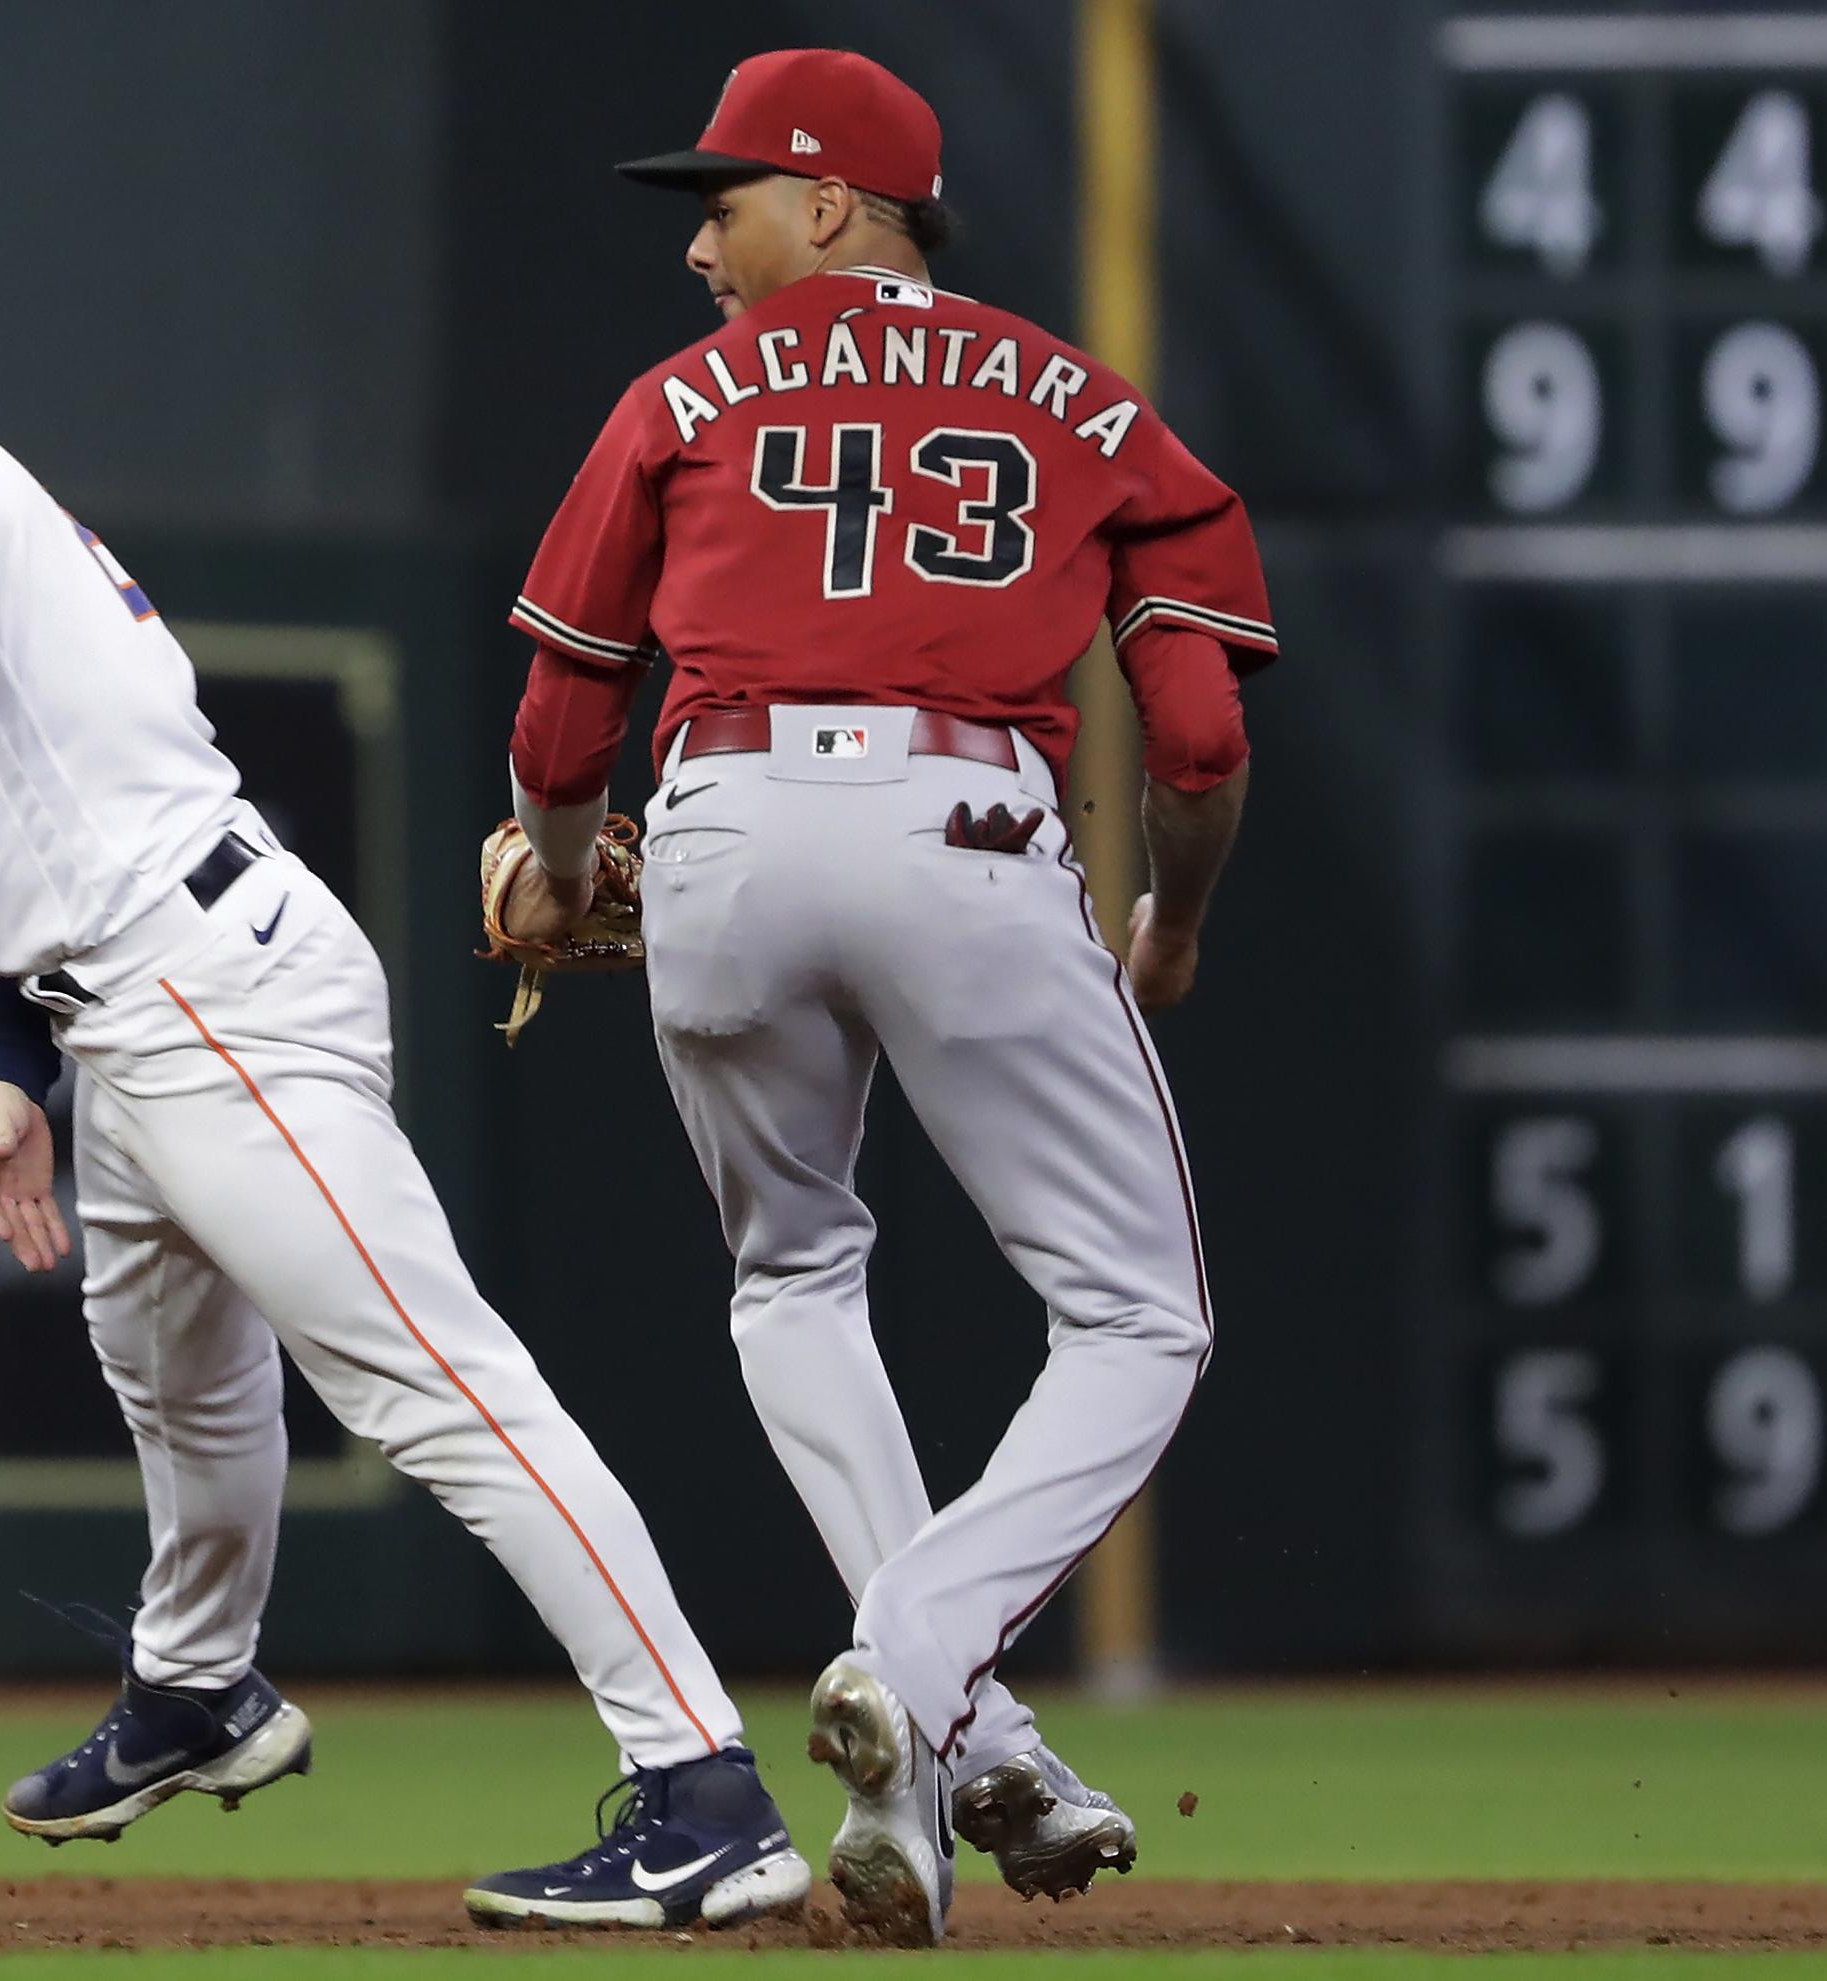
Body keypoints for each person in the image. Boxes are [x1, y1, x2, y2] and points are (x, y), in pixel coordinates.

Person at [0, 255, 810, 1932]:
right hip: (112, 1001)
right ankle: (200, 1692)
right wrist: (3, 1066)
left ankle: (706, 1788)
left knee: (439, 1391)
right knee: (170, 1368)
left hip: (208, 970)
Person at [492, 50, 1275, 1947]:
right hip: (971, 826)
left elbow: (560, 713)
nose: (698, 242)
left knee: (790, 1274)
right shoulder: (1088, 402)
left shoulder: (681, 397)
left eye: (726, 196)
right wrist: (1169, 914)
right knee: (1138, 1318)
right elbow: (1194, 728)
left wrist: (569, 860)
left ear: (834, 201)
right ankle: (923, 1663)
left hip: (723, 831)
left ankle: (946, 1756)